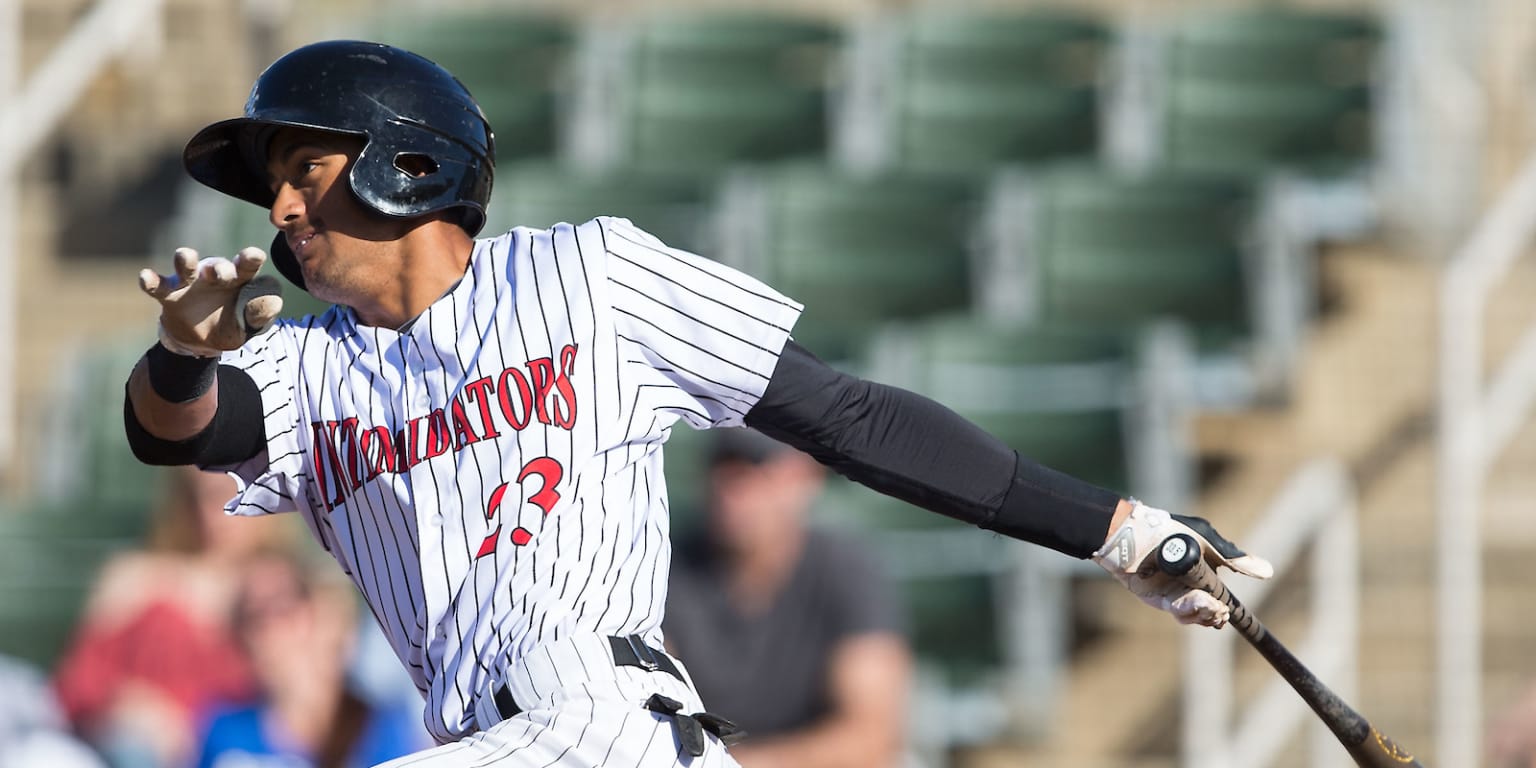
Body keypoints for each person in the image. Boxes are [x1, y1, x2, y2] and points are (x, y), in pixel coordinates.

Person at [122, 39, 1274, 767]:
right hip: (492, 738)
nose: (279, 206)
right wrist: (179, 354)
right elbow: (175, 431)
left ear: (404, 164)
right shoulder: (313, 367)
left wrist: (1116, 529)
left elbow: (847, 417)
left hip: (604, 725)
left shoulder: (590, 277)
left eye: (304, 170)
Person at [665, 428, 910, 768]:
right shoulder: (664, 566)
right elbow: (638, 709)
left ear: (806, 478)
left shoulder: (845, 567)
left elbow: (872, 737)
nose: (732, 488)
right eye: (722, 467)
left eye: (755, 469)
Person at [53, 465, 298, 768]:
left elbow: (306, 703)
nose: (208, 511)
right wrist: (126, 705)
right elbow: (77, 686)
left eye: (226, 492)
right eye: (193, 496)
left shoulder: (292, 592)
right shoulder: (135, 578)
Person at [193, 546, 428, 768]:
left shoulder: (378, 727)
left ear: (313, 611)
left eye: (280, 605)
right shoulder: (225, 732)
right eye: (253, 614)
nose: (270, 627)